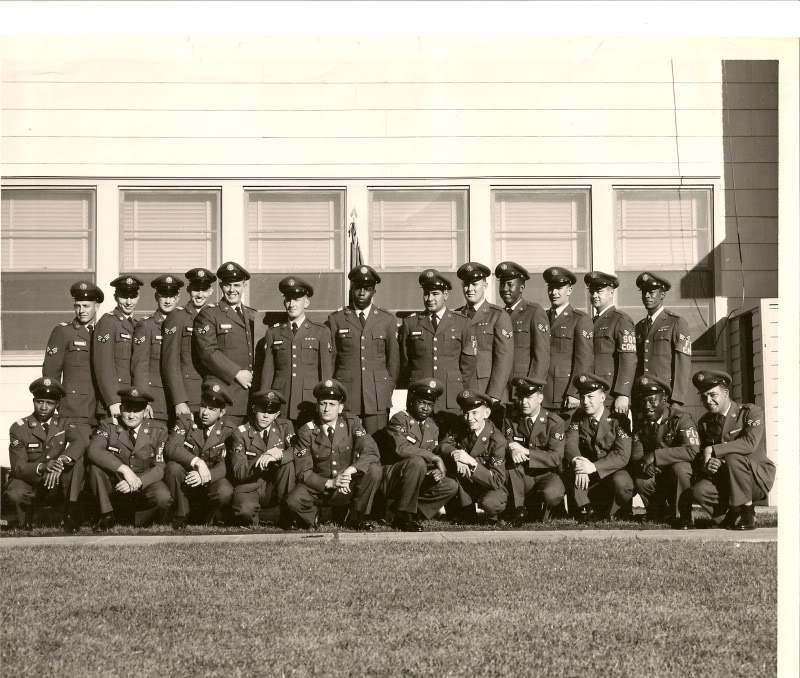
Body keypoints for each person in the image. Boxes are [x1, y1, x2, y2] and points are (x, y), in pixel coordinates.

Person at [679, 370, 775, 530]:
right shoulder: (705, 422)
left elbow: (749, 443)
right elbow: (702, 454)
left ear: (726, 393)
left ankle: (747, 513)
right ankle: (729, 518)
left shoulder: (750, 412)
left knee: (732, 458)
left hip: (755, 478)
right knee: (700, 490)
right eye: (703, 397)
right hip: (725, 477)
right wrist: (708, 465)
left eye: (712, 395)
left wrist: (715, 449)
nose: (708, 401)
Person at [286, 379, 383, 530]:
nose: (326, 409)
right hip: (321, 487)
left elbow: (371, 451)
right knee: (294, 500)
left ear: (340, 408)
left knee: (374, 470)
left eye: (332, 404)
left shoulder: (352, 423)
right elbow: (303, 472)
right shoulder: (307, 431)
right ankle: (319, 516)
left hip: (347, 484)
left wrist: (350, 471)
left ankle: (356, 517)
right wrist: (330, 483)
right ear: (318, 406)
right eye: (323, 403)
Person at [398, 268, 477, 432]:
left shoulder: (462, 323)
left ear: (445, 295)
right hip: (419, 398)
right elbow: (405, 362)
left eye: (435, 294)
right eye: (426, 294)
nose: (430, 299)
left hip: (450, 397)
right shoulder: (411, 323)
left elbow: (468, 365)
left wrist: (458, 389)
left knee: (448, 442)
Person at [4, 378, 85, 532]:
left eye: (49, 403)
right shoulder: (19, 428)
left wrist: (60, 461)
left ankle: (70, 515)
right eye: (39, 402)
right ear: (33, 401)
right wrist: (42, 466)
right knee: (15, 493)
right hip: (30, 479)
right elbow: (18, 467)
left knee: (77, 461)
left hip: (55, 478)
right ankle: (25, 520)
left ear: (56, 405)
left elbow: (79, 442)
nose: (43, 407)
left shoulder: (64, 423)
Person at [327, 265, 399, 434]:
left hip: (377, 396)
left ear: (373, 291)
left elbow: (393, 361)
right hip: (348, 395)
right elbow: (331, 360)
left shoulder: (386, 320)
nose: (361, 293)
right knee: (347, 444)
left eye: (366, 289)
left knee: (378, 444)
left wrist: (386, 389)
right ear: (352, 289)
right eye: (358, 288)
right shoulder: (337, 319)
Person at [87, 387, 172, 530]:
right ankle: (107, 515)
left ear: (145, 412)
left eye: (137, 410)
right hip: (118, 479)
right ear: (120, 409)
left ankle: (137, 520)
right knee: (95, 469)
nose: (131, 415)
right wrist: (124, 470)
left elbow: (160, 466)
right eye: (127, 409)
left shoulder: (159, 430)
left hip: (145, 479)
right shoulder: (108, 425)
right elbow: (94, 450)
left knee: (163, 497)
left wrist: (138, 481)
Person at [382, 378, 459, 531]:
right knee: (416, 462)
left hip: (418, 475)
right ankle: (404, 515)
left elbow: (432, 452)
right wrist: (434, 458)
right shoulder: (399, 419)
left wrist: (434, 471)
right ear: (411, 402)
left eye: (430, 405)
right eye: (421, 403)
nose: (425, 408)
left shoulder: (432, 426)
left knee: (450, 486)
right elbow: (401, 449)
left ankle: (412, 514)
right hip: (394, 477)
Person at [259, 276, 333, 428]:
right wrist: (266, 404)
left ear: (306, 302)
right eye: (288, 300)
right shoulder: (274, 333)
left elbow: (325, 374)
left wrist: (325, 405)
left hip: (308, 403)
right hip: (281, 402)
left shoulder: (321, 332)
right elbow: (267, 373)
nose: (291, 304)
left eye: (297, 300)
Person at [629, 375, 699, 526]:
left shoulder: (681, 418)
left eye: (652, 400)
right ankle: (658, 512)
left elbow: (693, 450)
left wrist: (656, 456)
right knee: (642, 479)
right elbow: (637, 455)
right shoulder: (642, 422)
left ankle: (684, 515)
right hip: (657, 472)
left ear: (664, 400)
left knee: (680, 468)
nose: (647, 406)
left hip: (681, 474)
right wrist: (644, 465)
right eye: (643, 401)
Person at [164, 382, 234, 529]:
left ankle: (209, 519)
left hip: (211, 479)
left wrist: (205, 475)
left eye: (212, 409)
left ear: (222, 413)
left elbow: (226, 464)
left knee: (225, 491)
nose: (205, 412)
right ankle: (181, 515)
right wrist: (197, 462)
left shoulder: (229, 430)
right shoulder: (186, 421)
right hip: (187, 478)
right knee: (173, 468)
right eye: (203, 406)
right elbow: (171, 448)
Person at [193, 262, 257, 426]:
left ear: (244, 286)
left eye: (237, 285)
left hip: (250, 399)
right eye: (228, 285)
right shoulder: (209, 314)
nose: (232, 290)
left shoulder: (252, 315)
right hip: (224, 396)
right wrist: (236, 373)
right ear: (221, 286)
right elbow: (207, 352)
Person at [565, 373, 634, 522]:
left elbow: (622, 455)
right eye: (582, 397)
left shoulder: (618, 419)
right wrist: (578, 462)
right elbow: (570, 443)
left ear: (602, 397)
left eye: (590, 397)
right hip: (587, 474)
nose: (585, 402)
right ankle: (584, 510)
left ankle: (617, 512)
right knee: (572, 469)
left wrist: (594, 467)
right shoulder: (577, 416)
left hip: (610, 471)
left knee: (623, 483)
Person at [42, 280, 104, 439]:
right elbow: (51, 373)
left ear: (96, 307)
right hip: (73, 408)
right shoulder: (63, 331)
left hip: (100, 407)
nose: (81, 311)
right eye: (78, 306)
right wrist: (57, 404)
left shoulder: (102, 332)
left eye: (86, 306)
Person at [228, 388, 297, 527]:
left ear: (277, 414)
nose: (266, 415)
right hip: (250, 486)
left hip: (274, 486)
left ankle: (286, 512)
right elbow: (239, 471)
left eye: (271, 412)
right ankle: (272, 517)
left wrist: (278, 454)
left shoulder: (285, 426)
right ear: (254, 409)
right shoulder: (240, 433)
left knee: (287, 463)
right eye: (262, 410)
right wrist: (263, 459)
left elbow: (298, 450)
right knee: (245, 513)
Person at [438, 390, 508, 524]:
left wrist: (471, 462)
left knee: (490, 503)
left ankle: (495, 516)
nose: (469, 418)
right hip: (467, 484)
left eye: (475, 413)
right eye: (466, 413)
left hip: (488, 486)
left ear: (486, 413)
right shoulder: (461, 425)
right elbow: (443, 444)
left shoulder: (497, 440)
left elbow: (497, 480)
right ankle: (463, 513)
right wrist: (456, 454)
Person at [502, 377, 566, 524]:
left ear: (540, 398)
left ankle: (546, 511)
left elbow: (556, 457)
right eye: (521, 397)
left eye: (529, 397)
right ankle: (518, 511)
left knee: (553, 493)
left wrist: (526, 452)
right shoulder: (511, 419)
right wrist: (511, 448)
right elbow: (505, 440)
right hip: (522, 474)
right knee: (511, 469)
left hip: (547, 474)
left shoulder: (554, 422)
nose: (524, 402)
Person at [161, 267, 217, 426]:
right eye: (195, 289)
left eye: (204, 290)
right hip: (188, 397)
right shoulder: (177, 317)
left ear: (211, 291)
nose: (200, 295)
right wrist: (179, 400)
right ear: (188, 290)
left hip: (211, 397)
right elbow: (169, 362)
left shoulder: (215, 315)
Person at [454, 262, 513, 406]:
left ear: (485, 285)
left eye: (475, 284)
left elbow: (504, 358)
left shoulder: (497, 315)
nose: (470, 289)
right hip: (460, 388)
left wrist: (494, 394)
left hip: (487, 390)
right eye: (466, 285)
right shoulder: (456, 316)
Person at [542, 267, 594, 420]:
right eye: (551, 288)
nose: (554, 293)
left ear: (569, 290)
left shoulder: (579, 319)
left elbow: (584, 360)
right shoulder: (542, 317)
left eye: (559, 288)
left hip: (564, 395)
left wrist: (574, 392)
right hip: (541, 395)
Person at [634, 272, 692, 407]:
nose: (647, 296)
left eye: (651, 292)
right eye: (644, 292)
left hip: (665, 397)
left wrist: (677, 399)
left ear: (662, 294)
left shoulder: (676, 322)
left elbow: (682, 364)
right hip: (641, 397)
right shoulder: (639, 327)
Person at [494, 261, 550, 402]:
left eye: (510, 284)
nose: (505, 289)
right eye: (502, 284)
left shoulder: (534, 312)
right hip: (500, 388)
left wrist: (532, 389)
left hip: (522, 388)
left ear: (521, 287)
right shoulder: (497, 314)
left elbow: (541, 355)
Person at [132, 274, 184, 424]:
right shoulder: (146, 326)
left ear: (178, 298)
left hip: (181, 401)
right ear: (156, 297)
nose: (168, 301)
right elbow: (140, 366)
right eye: (163, 296)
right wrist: (144, 400)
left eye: (172, 296)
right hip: (157, 402)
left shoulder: (185, 324)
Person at [584, 271, 636, 416]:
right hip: (593, 395)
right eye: (592, 291)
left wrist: (623, 394)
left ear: (611, 292)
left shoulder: (621, 320)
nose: (594, 295)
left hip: (611, 394)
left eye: (599, 291)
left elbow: (628, 359)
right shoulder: (591, 322)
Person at [92, 275, 144, 420]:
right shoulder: (108, 322)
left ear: (138, 297)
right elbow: (103, 365)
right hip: (116, 405)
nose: (128, 302)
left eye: (132, 296)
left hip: (133, 403)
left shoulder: (138, 325)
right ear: (116, 297)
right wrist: (113, 401)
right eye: (124, 297)